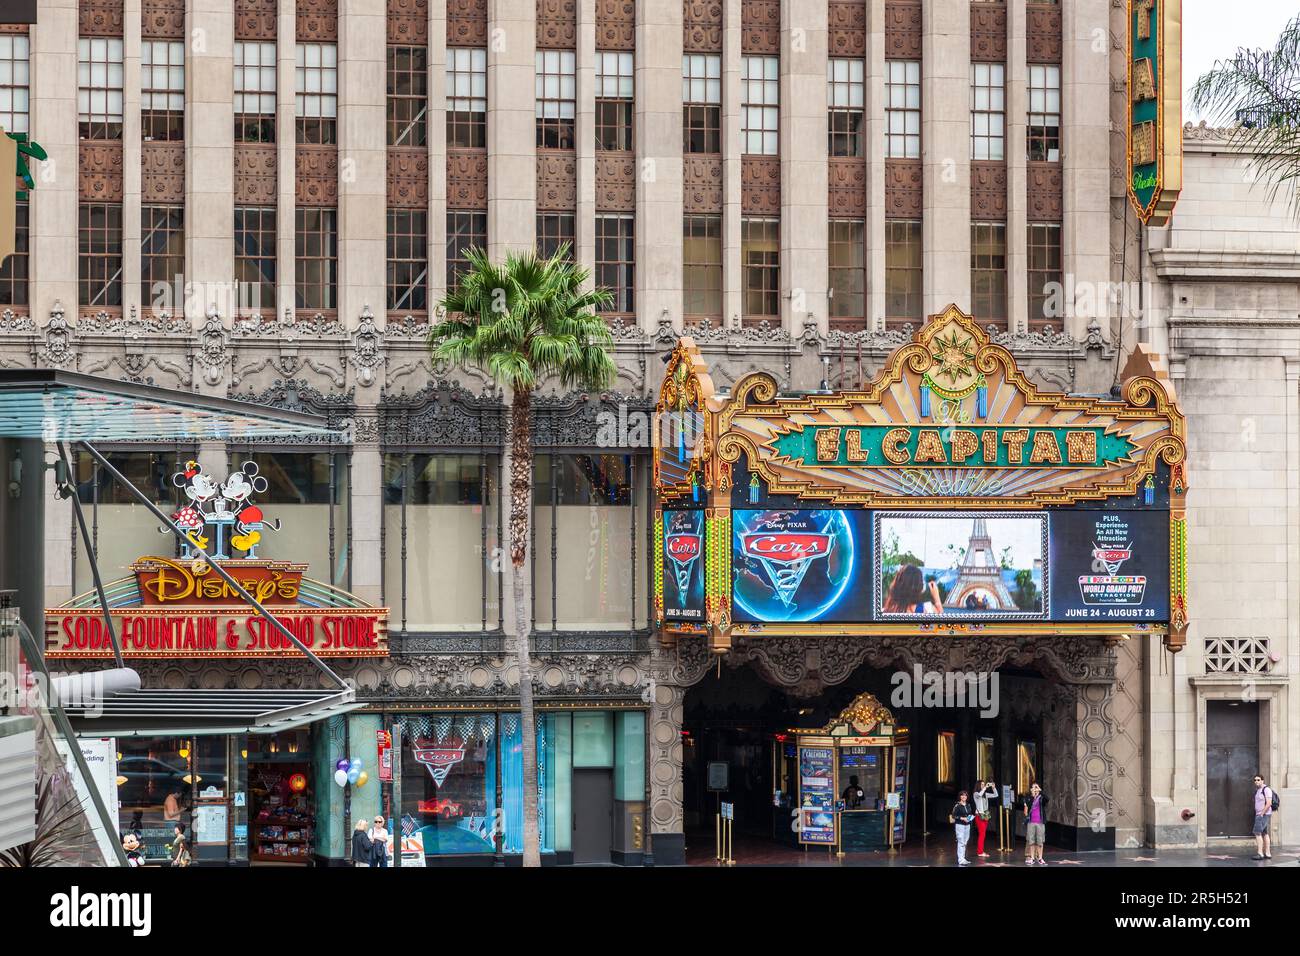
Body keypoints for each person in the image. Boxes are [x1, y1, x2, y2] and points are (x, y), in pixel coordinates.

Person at [1019, 782, 1048, 865]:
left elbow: (1047, 799)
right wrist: (1032, 795)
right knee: (1031, 841)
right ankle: (1032, 858)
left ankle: (1040, 858)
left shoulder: (1041, 798)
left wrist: (1040, 791)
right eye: (1033, 787)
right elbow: (1025, 805)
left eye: (1036, 787)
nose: (1034, 789)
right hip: (1031, 822)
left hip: (1040, 822)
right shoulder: (1029, 798)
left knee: (1040, 841)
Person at [1252, 773, 1276, 861]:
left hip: (1263, 815)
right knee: (1265, 833)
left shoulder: (1266, 789)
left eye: (1258, 780)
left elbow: (1269, 803)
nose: (1256, 781)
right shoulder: (1258, 790)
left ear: (1262, 780)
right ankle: (1268, 853)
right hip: (1260, 814)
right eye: (1255, 780)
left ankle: (1260, 853)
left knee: (1257, 833)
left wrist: (1262, 814)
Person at [972, 779, 998, 858]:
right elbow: (980, 794)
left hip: (985, 815)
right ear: (978, 785)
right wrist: (985, 787)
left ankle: (980, 851)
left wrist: (993, 787)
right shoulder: (976, 794)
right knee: (982, 834)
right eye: (982, 784)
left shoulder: (985, 794)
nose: (983, 786)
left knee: (983, 834)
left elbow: (996, 795)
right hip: (979, 815)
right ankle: (980, 852)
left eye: (984, 784)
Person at [950, 790, 975, 866]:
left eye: (965, 795)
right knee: (961, 841)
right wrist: (962, 818)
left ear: (967, 797)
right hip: (960, 825)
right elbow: (953, 816)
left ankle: (963, 858)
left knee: (965, 842)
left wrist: (970, 818)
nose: (964, 796)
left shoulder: (968, 805)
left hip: (967, 825)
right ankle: (960, 860)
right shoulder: (957, 805)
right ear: (960, 796)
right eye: (962, 795)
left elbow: (970, 813)